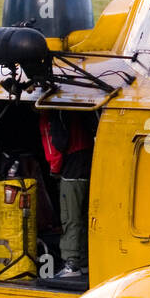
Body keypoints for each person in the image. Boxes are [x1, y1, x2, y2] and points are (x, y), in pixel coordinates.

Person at [39, 110, 95, 279]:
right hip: (90, 162)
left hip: (72, 169)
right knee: (84, 217)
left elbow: (54, 147)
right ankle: (84, 262)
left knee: (70, 217)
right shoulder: (77, 110)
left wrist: (55, 171)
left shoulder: (48, 114)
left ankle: (71, 263)